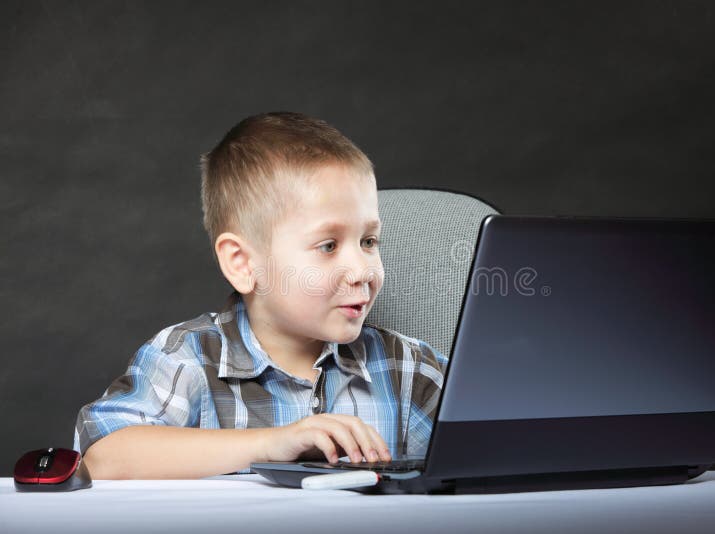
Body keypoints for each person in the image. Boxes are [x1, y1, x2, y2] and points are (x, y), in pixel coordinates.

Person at [74, 112, 448, 479]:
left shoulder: (406, 370)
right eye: (328, 246)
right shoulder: (188, 358)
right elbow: (103, 456)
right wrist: (270, 445)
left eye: (368, 241)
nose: (363, 270)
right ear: (242, 264)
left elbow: (490, 454)